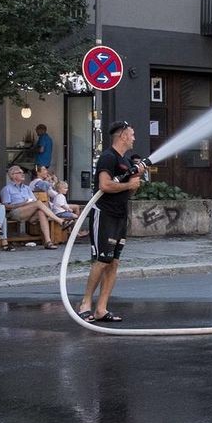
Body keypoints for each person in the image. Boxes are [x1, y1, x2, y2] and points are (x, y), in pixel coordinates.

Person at [79, 121, 144, 323]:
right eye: (132, 134)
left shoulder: (123, 160)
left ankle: (101, 308)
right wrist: (128, 185)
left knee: (113, 262)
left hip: (119, 214)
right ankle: (85, 304)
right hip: (104, 214)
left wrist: (135, 180)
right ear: (123, 135)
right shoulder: (108, 157)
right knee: (101, 260)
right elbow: (105, 185)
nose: (134, 138)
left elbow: (129, 188)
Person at [1, 165, 60, 249]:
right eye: (19, 172)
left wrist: (30, 204)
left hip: (30, 212)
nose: (23, 174)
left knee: (41, 211)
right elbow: (6, 206)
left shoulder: (27, 188)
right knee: (39, 203)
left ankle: (48, 241)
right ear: (12, 175)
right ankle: (59, 220)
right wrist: (23, 204)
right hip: (16, 212)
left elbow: (33, 201)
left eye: (22, 172)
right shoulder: (7, 189)